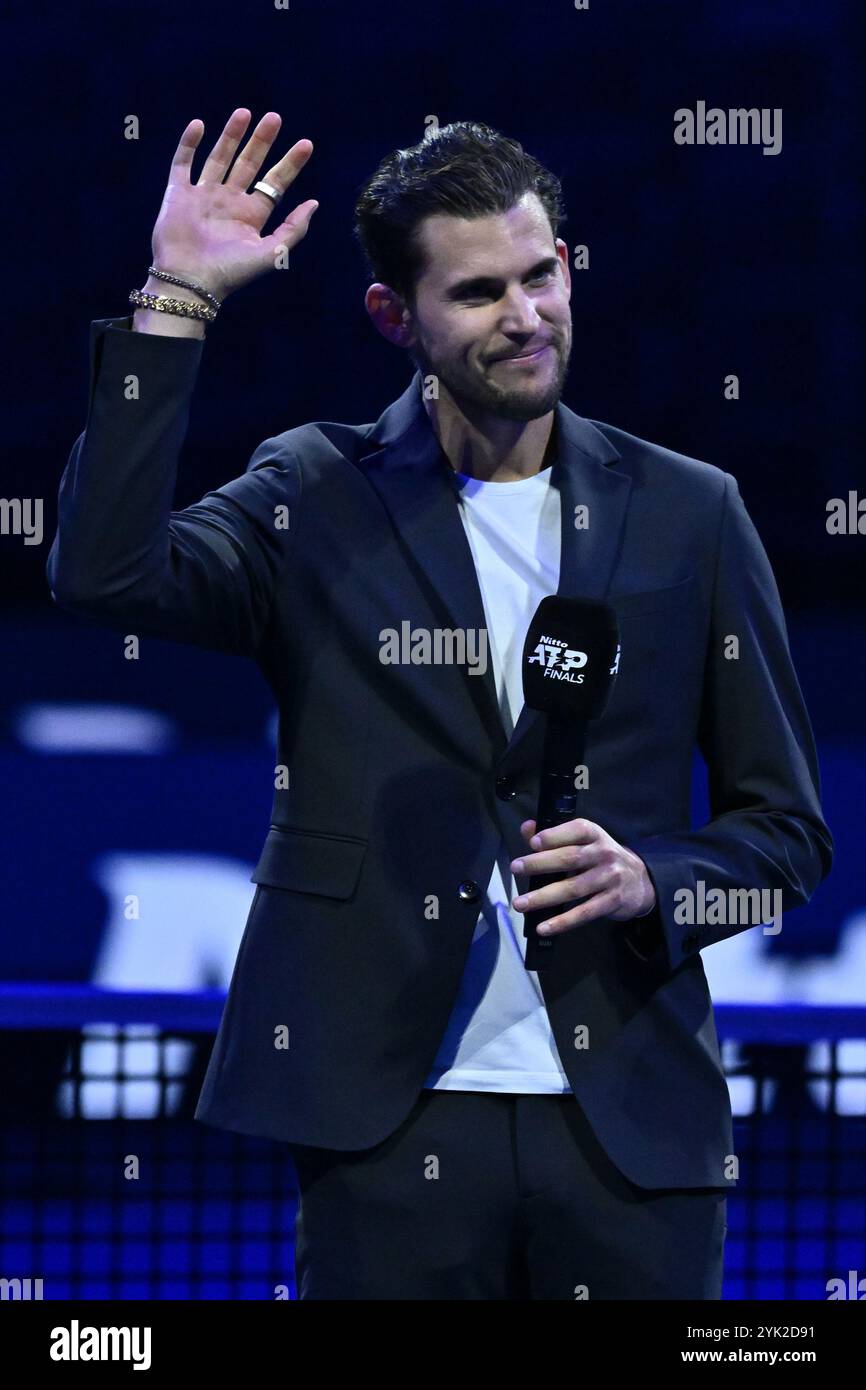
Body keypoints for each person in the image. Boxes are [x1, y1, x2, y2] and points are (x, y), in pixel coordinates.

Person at [46, 111, 833, 1300]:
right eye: (476, 293)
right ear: (394, 319)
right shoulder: (314, 491)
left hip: (628, 1130)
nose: (524, 315)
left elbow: (785, 836)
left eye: (539, 274)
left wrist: (651, 882)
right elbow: (103, 571)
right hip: (386, 1120)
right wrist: (176, 301)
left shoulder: (690, 512)